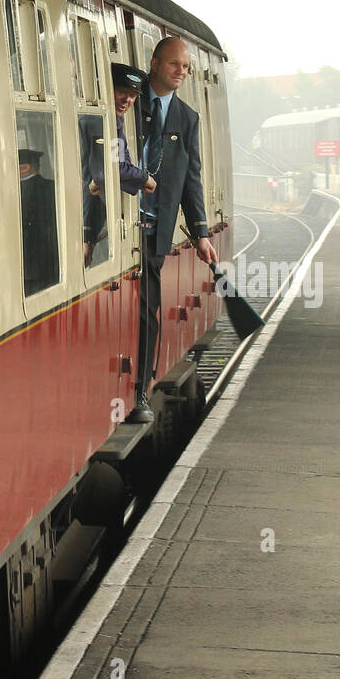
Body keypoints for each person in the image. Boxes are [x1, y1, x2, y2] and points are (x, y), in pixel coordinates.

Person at [129, 36, 217, 422]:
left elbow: (191, 181)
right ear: (154, 63)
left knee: (149, 309)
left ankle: (141, 391)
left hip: (157, 226)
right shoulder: (129, 101)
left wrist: (200, 233)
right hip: (123, 223)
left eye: (185, 67)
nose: (181, 72)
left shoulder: (187, 118)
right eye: (174, 65)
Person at [81, 63, 156, 266]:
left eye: (133, 95)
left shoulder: (115, 118)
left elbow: (117, 165)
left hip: (92, 215)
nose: (128, 100)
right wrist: (144, 178)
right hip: (86, 215)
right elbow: (110, 170)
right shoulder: (101, 120)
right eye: (122, 92)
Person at [18, 148, 59, 296]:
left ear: (25, 168)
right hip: (54, 262)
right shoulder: (53, 187)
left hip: (25, 268)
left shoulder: (16, 192)